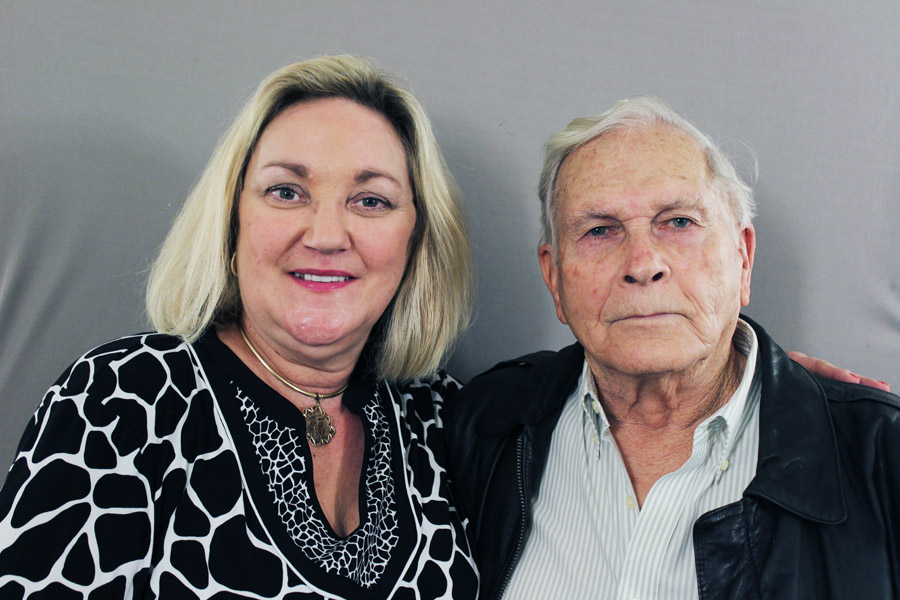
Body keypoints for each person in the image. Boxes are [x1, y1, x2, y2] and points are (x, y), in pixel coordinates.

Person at [0, 55, 478, 598]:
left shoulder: (445, 420)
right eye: (287, 192)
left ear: (416, 242)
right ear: (231, 222)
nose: (325, 236)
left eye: (371, 200)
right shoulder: (120, 399)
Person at [446, 96, 900, 599]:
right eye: (600, 230)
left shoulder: (882, 456)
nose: (643, 263)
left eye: (679, 222)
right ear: (554, 277)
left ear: (743, 259)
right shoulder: (482, 425)